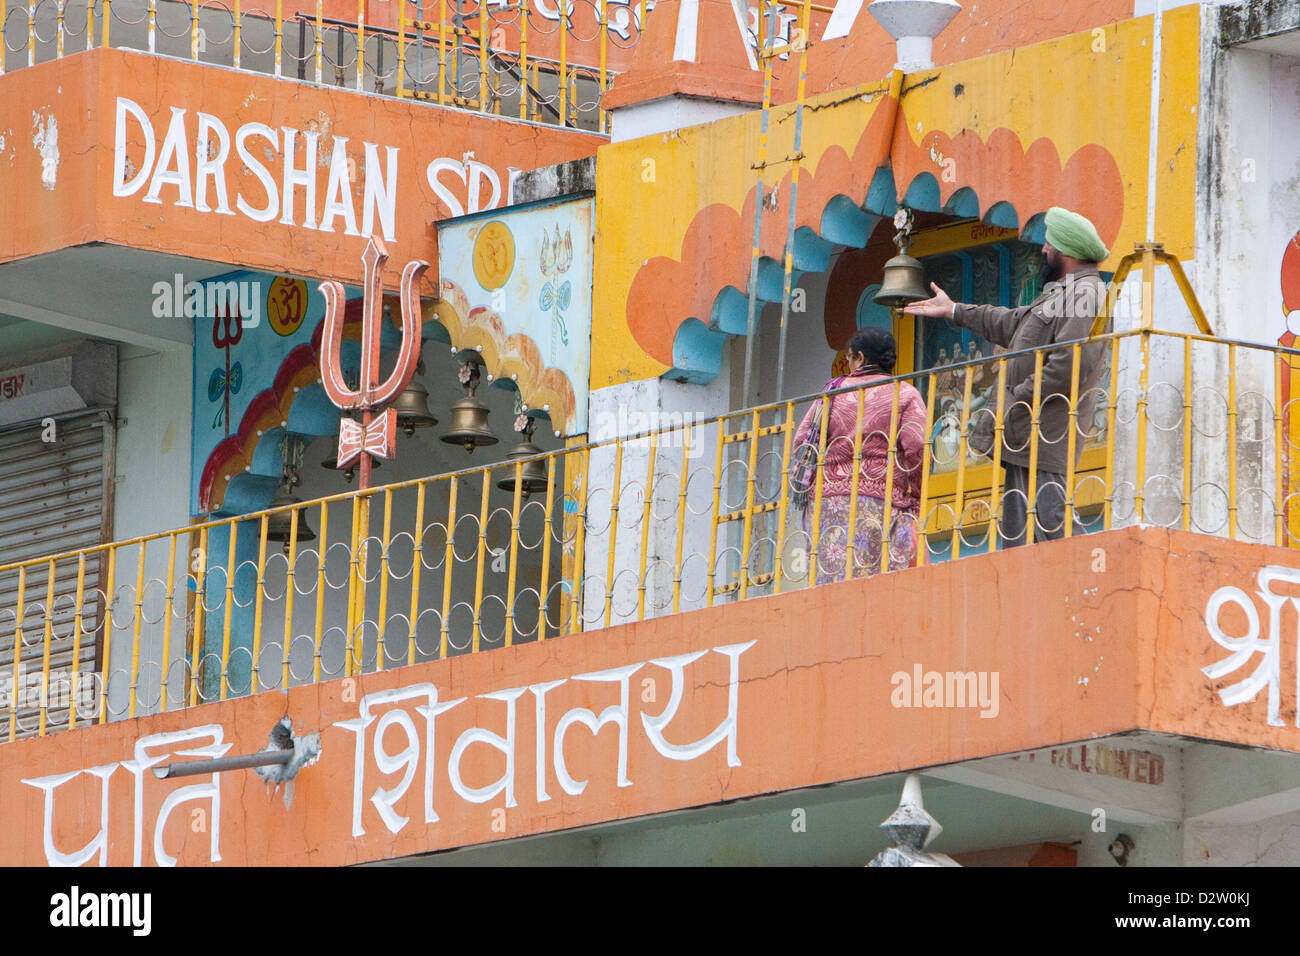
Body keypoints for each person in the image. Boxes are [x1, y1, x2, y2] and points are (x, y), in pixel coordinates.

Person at [904, 206, 1108, 547]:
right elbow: (1012, 324)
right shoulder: (1063, 291)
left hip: (1046, 432)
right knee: (1019, 530)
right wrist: (953, 310)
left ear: (1067, 251)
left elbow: (1071, 363)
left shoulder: (1085, 293)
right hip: (1026, 432)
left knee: (1050, 519)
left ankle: (1097, 583)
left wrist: (1018, 397)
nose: (1043, 250)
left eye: (1049, 244)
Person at [792, 326, 928, 579]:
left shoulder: (832, 393)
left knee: (833, 582)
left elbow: (803, 443)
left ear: (861, 358)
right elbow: (917, 446)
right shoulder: (905, 394)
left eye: (849, 357)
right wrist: (915, 495)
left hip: (828, 502)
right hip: (881, 500)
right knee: (877, 581)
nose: (848, 363)